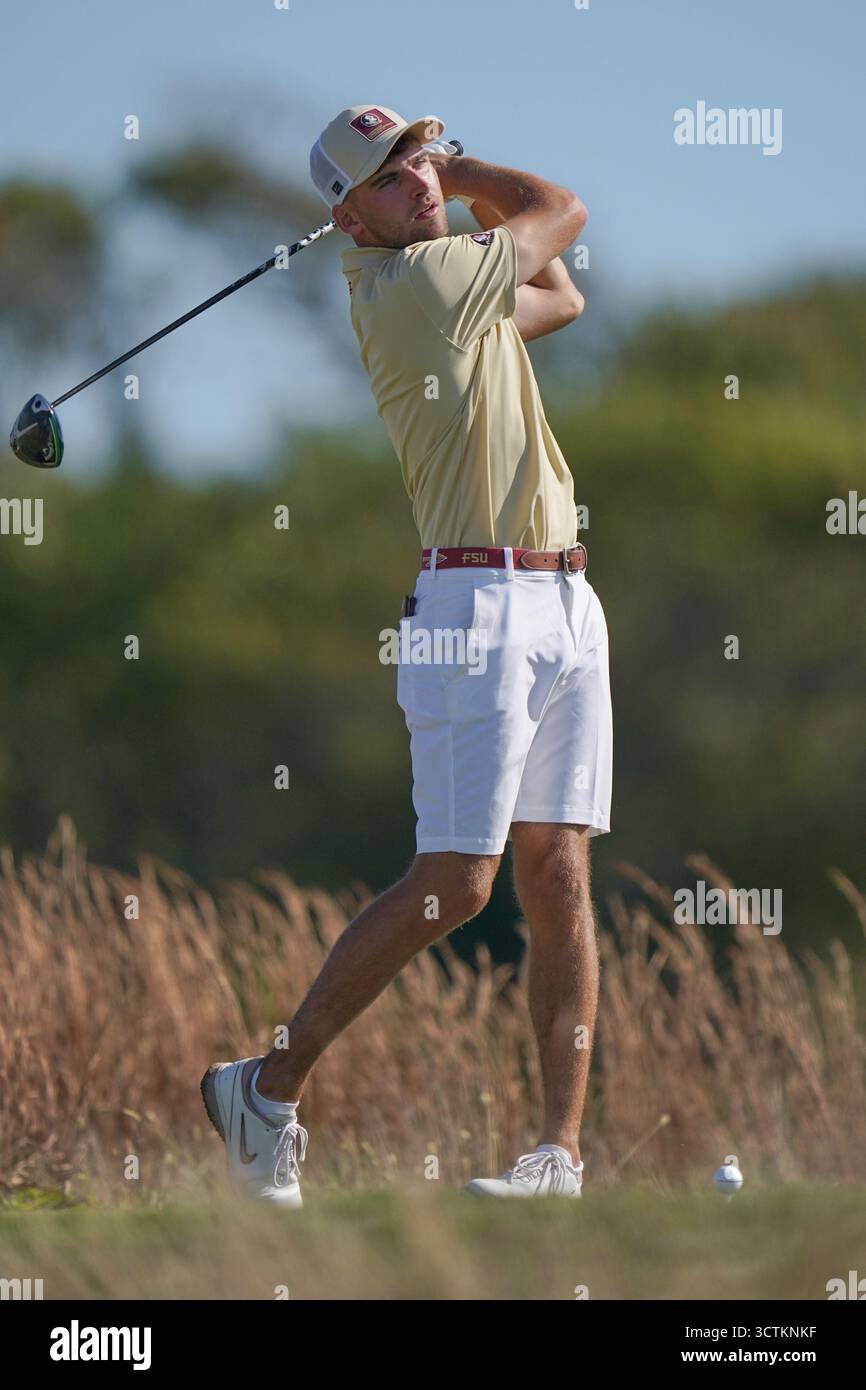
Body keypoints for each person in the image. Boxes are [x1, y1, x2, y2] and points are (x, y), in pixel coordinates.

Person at [201, 105, 612, 1204]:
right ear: (345, 217)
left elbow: (560, 295)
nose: (417, 185)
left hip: (564, 597)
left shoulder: (452, 291)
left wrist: (438, 178)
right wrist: (466, 165)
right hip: (474, 605)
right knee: (455, 883)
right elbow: (557, 214)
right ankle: (266, 1085)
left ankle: (556, 1157)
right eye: (388, 178)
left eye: (417, 162)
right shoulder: (415, 291)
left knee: (557, 873)